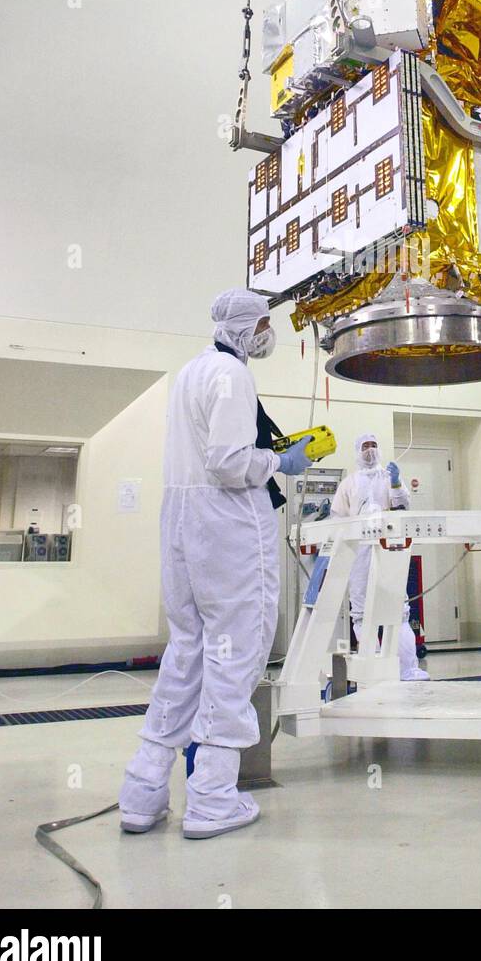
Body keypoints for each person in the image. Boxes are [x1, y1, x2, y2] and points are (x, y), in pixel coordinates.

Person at [119, 288, 313, 839]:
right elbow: (229, 463)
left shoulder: (190, 372)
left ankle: (144, 788)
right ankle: (211, 798)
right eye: (265, 325)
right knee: (235, 650)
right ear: (248, 328)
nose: (269, 334)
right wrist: (282, 460)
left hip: (181, 520)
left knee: (189, 651)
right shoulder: (233, 376)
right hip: (225, 524)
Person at [331, 434, 429, 681]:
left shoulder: (388, 477)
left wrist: (396, 483)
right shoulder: (349, 484)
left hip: (389, 549)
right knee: (363, 615)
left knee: (398, 612)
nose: (370, 450)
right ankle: (373, 671)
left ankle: (408, 669)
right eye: (365, 446)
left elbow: (403, 506)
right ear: (357, 450)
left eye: (374, 445)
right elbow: (338, 520)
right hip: (360, 556)